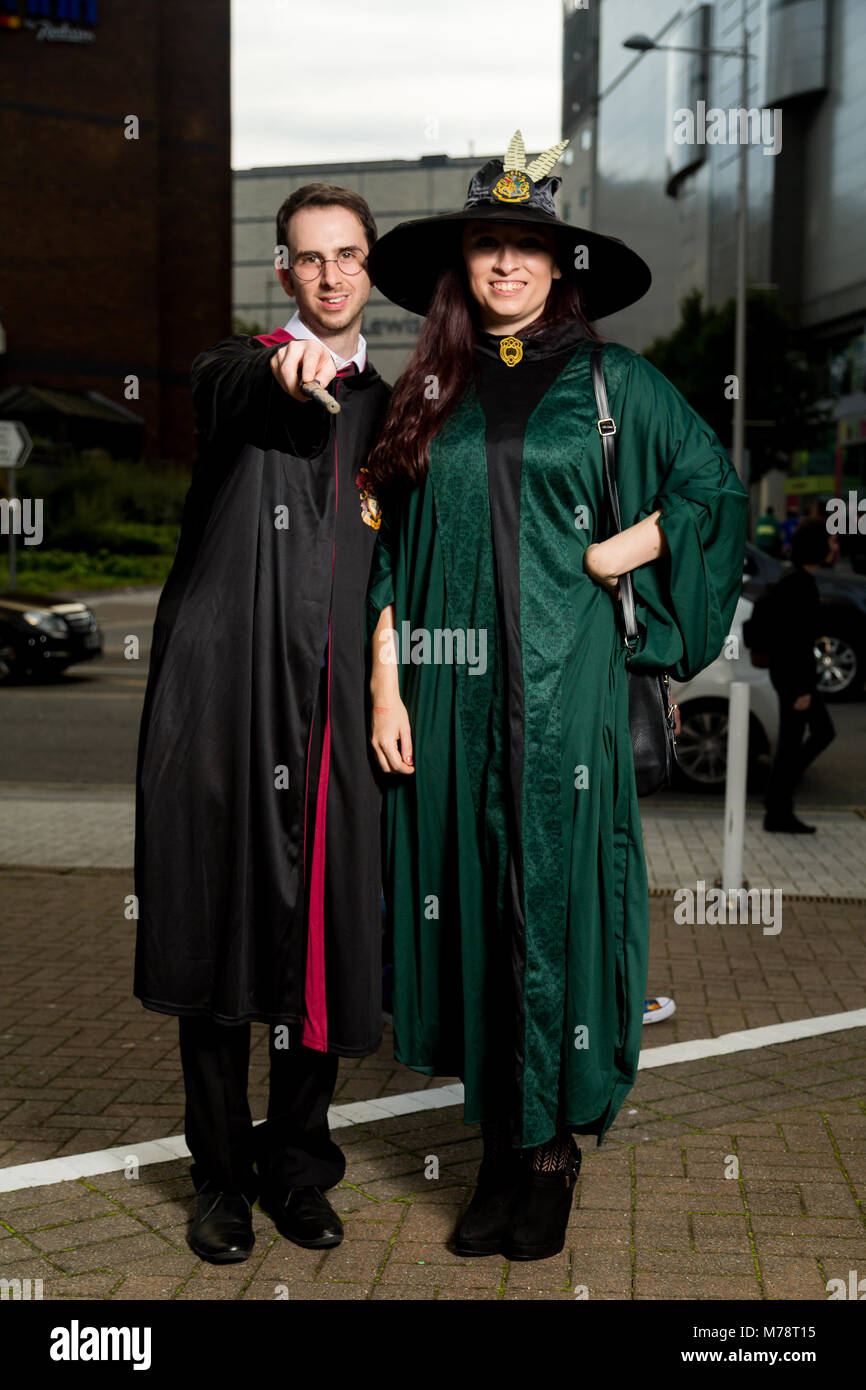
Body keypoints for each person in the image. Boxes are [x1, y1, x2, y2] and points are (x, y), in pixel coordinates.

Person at [364, 131, 748, 1262]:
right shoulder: (429, 387)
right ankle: (493, 1150)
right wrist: (388, 684)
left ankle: (549, 1155)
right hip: (447, 698)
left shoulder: (609, 379)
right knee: (474, 905)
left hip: (566, 696)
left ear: (556, 265)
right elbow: (384, 552)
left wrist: (624, 545)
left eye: (525, 248)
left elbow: (709, 494)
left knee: (554, 908)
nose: (505, 266)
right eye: (486, 245)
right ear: (461, 265)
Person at [134, 184, 390, 1262]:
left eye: (347, 255)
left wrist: (386, 677)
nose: (329, 275)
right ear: (281, 272)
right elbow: (230, 382)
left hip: (331, 708)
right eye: (308, 259)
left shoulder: (394, 404)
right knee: (217, 934)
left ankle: (297, 1168)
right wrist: (279, 367)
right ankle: (219, 1180)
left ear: (369, 266)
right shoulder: (233, 366)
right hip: (222, 703)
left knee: (318, 941)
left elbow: (398, 565)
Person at [763, 519, 836, 833]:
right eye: (830, 542)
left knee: (803, 740)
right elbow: (795, 644)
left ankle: (778, 804)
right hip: (795, 682)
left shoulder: (797, 580)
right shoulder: (800, 585)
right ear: (817, 548)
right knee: (805, 739)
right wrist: (803, 690)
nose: (835, 547)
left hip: (791, 679)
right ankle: (778, 804)